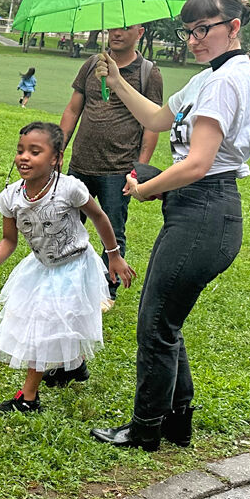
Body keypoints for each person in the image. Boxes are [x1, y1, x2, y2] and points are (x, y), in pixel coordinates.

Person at [90, 0, 250, 450]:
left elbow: (199, 162)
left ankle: (146, 430)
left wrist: (145, 187)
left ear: (233, 27)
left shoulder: (226, 81)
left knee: (156, 323)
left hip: (206, 207)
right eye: (189, 32)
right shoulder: (209, 77)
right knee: (166, 319)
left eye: (204, 29)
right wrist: (120, 80)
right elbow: (161, 119)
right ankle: (177, 420)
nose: (195, 39)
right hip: (193, 209)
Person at [0, 122, 134, 413]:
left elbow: (99, 217)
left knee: (45, 325)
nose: (24, 157)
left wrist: (114, 256)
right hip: (41, 266)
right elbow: (10, 239)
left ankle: (28, 399)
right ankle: (74, 367)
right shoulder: (11, 197)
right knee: (53, 322)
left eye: (35, 151)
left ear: (56, 158)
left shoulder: (69, 188)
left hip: (75, 265)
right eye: (21, 151)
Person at [59, 24, 162, 314]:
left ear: (140, 32)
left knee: (113, 231)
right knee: (67, 224)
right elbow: (73, 108)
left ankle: (107, 290)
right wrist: (59, 147)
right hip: (81, 163)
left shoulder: (148, 72)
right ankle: (65, 280)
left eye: (126, 28)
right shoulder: (93, 64)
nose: (118, 33)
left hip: (118, 168)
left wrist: (139, 169)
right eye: (114, 28)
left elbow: (152, 123)